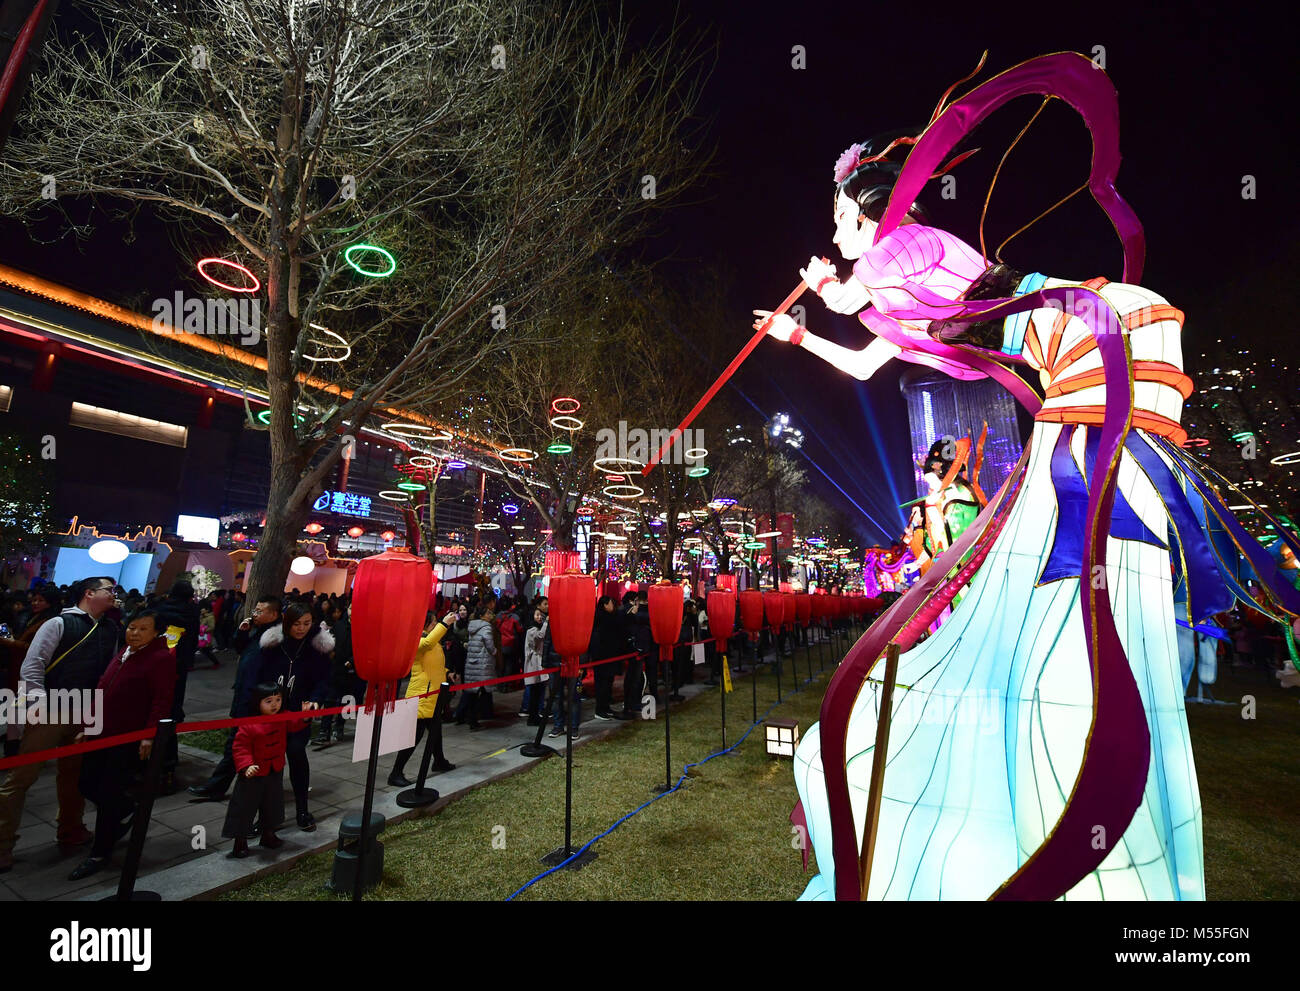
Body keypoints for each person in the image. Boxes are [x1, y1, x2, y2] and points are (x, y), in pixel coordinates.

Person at [782, 67, 1298, 901]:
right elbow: (868, 356)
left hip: (1098, 335)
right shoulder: (895, 281)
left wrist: (824, 285)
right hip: (1086, 350)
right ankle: (1075, 741)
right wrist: (799, 338)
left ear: (866, 210)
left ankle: (1084, 762)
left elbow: (859, 287)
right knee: (1059, 540)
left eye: (839, 218)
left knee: (1062, 531)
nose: (836, 233)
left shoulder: (900, 248)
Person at [0, 576, 121, 873]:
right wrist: (38, 703)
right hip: (50, 711)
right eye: (109, 590)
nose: (114, 595)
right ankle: (3, 845)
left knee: (74, 776)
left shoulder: (111, 628)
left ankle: (71, 829)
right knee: (21, 777)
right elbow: (33, 665)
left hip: (86, 712)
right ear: (90, 593)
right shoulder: (58, 624)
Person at [67, 609, 176, 881]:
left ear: (155, 633)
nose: (134, 633)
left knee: (108, 793)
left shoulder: (161, 658)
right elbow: (103, 689)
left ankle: (100, 852)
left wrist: (149, 735)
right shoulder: (125, 651)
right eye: (132, 627)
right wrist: (87, 726)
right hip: (101, 732)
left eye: (142, 629)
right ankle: (125, 809)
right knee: (86, 784)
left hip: (126, 737)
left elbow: (162, 700)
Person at [188, 595, 282, 800]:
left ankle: (217, 786)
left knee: (237, 743)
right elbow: (241, 650)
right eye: (255, 610)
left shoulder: (275, 637)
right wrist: (242, 632)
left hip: (255, 699)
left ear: (273, 614)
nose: (255, 614)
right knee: (240, 745)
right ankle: (227, 785)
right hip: (245, 694)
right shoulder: (259, 632)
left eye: (260, 610)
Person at [251, 603, 334, 831]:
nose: (301, 628)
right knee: (269, 765)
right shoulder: (272, 646)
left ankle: (302, 810)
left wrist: (315, 700)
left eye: (306, 623)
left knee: (297, 756)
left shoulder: (316, 649)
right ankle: (266, 815)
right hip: (271, 714)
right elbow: (257, 676)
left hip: (299, 714)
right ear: (287, 623)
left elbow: (323, 680)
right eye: (296, 624)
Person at [388, 611, 457, 786]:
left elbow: (434, 664)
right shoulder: (417, 641)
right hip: (421, 696)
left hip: (432, 695)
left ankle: (439, 761)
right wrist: (444, 623)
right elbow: (427, 643)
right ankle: (395, 773)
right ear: (425, 624)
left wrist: (447, 674)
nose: (435, 625)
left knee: (436, 732)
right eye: (433, 622)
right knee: (413, 738)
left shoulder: (433, 642)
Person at [223, 683, 290, 859]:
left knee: (273, 804)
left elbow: (296, 722)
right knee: (244, 807)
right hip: (253, 773)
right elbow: (240, 747)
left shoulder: (283, 717)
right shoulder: (249, 724)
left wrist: (306, 715)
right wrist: (246, 765)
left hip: (274, 769)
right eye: (269, 701)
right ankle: (240, 841)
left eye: (278, 700)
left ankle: (268, 834)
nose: (275, 704)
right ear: (257, 702)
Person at [1, 586, 62, 758]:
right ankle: (12, 747)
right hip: (17, 669)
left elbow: (36, 650)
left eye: (40, 600)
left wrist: (12, 643)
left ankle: (18, 750)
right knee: (16, 709)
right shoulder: (30, 615)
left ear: (50, 602)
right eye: (34, 599)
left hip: (30, 674)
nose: (35, 603)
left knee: (25, 712)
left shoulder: (52, 622)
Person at [155, 580, 200, 792]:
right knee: (171, 709)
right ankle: (168, 763)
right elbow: (191, 640)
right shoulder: (192, 612)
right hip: (179, 666)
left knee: (157, 708)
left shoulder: (158, 610)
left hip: (158, 664)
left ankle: (157, 762)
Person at [454, 601, 496, 730]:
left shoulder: (472, 626)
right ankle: (473, 719)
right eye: (488, 613)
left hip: (472, 663)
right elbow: (489, 644)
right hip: (482, 664)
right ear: (483, 615)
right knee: (481, 692)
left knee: (472, 693)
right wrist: (495, 651)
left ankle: (466, 716)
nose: (490, 615)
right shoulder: (486, 627)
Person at [590, 596, 631, 720]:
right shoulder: (601, 619)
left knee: (608, 683)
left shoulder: (610, 618)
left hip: (610, 656)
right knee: (602, 684)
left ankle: (606, 707)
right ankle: (600, 709)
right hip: (602, 657)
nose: (613, 606)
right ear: (604, 605)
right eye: (610, 603)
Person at [522, 607, 548, 725]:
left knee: (537, 691)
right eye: (536, 615)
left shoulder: (534, 628)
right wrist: (546, 622)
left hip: (537, 662)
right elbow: (540, 635)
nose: (539, 617)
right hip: (534, 663)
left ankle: (535, 715)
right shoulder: (531, 630)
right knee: (534, 691)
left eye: (540, 615)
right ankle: (532, 716)